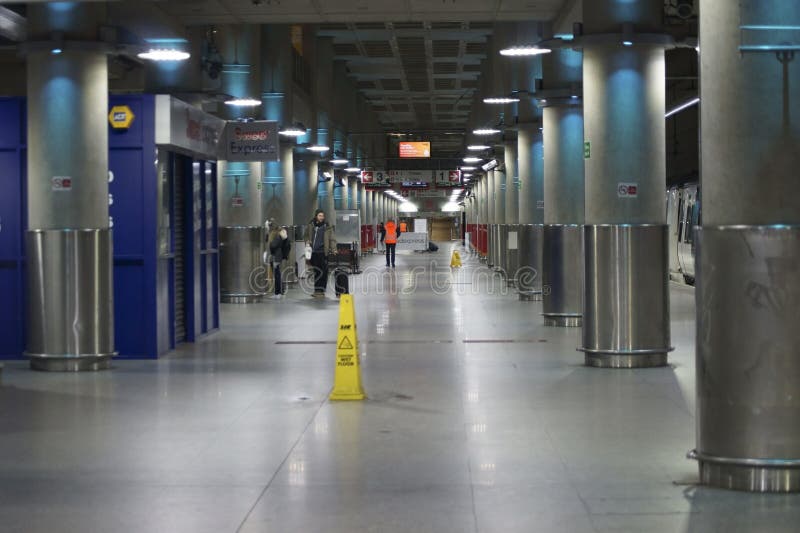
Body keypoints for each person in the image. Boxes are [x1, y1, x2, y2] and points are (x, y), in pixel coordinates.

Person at [305, 209, 336, 297]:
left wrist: (334, 249)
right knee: (316, 271)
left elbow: (332, 238)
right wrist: (307, 240)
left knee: (323, 271)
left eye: (322, 216)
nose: (321, 217)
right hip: (313, 252)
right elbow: (306, 235)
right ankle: (317, 290)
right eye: (320, 216)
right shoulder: (311, 225)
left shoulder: (327, 227)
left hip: (323, 252)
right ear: (316, 216)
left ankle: (321, 290)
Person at [268, 225, 291, 299]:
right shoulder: (282, 236)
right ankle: (280, 292)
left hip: (276, 257)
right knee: (278, 274)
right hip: (278, 257)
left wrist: (271, 243)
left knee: (277, 275)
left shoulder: (277, 236)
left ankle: (278, 293)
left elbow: (274, 245)